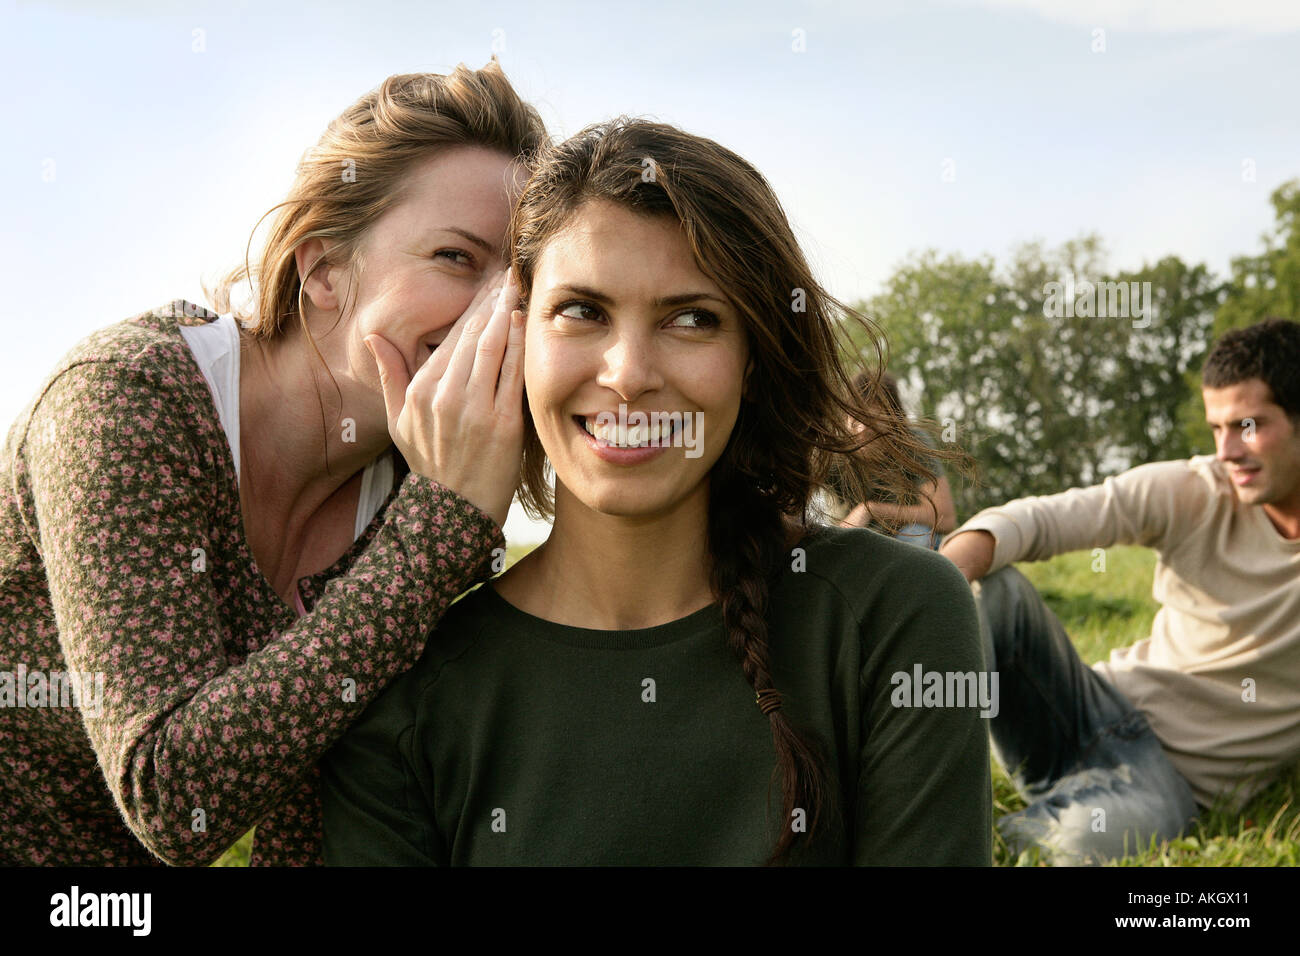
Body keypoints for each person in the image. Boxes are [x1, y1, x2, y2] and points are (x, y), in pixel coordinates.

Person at [319, 118, 992, 866]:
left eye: (692, 318)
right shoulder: (402, 698)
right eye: (582, 310)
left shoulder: (899, 618)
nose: (629, 371)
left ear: (752, 360)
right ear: (512, 338)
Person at [0, 62, 546, 866]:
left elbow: (318, 815)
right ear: (323, 268)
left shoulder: (415, 489)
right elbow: (174, 792)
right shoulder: (128, 399)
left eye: (524, 285)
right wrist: (440, 530)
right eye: (458, 259)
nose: (501, 318)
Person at [938, 318, 1300, 864]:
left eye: (1248, 425)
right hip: (1087, 711)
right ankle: (910, 795)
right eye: (1216, 427)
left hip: (1172, 781)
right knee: (999, 592)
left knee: (1081, 843)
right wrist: (937, 581)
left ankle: (988, 836)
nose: (1227, 450)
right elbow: (1042, 519)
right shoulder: (1193, 490)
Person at [832, 371, 957, 548]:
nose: (861, 430)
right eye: (855, 418)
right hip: (859, 543)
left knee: (916, 536)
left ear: (894, 422)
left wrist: (871, 510)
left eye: (873, 420)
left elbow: (945, 518)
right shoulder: (834, 452)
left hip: (907, 538)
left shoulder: (913, 443)